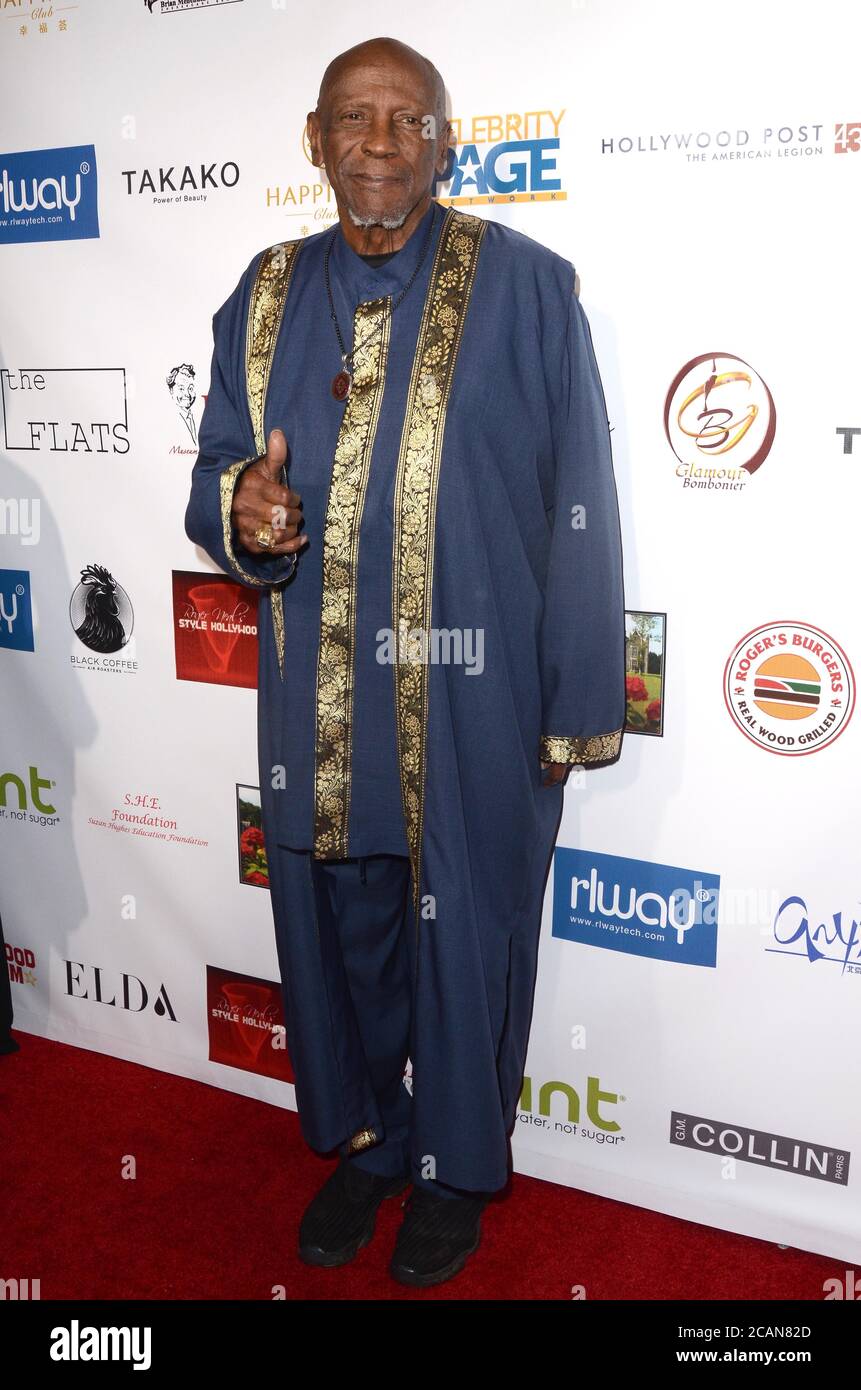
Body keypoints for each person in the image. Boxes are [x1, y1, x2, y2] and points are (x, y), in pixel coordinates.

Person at [184, 35, 625, 1289]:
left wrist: (577, 699)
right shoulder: (263, 294)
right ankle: (373, 1142)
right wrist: (243, 511)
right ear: (312, 139)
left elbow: (577, 500)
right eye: (353, 119)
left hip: (473, 694)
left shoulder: (531, 287)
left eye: (406, 120)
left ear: (446, 144)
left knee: (467, 939)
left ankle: (456, 1170)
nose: (378, 143)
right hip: (317, 698)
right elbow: (221, 464)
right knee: (347, 927)